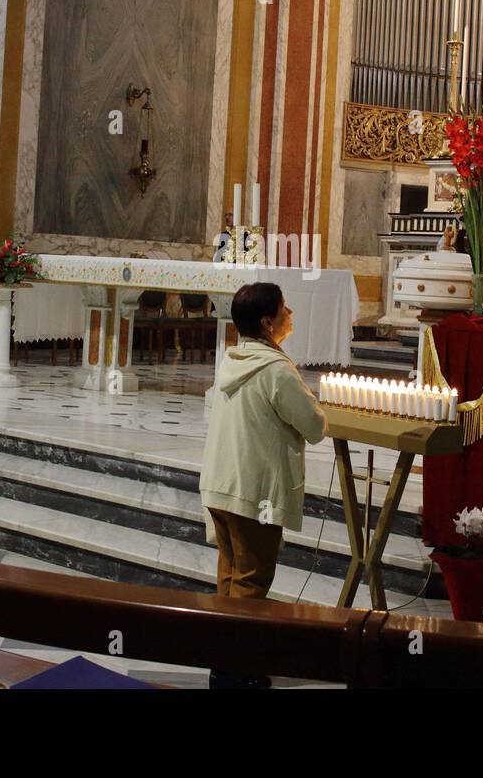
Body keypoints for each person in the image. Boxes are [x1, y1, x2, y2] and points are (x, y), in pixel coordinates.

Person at [200, 281, 327, 688]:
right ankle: (240, 672)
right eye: (285, 309)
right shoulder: (274, 369)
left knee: (229, 575)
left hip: (222, 483)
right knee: (252, 580)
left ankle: (223, 663)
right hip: (254, 492)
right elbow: (314, 426)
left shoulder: (231, 358)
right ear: (268, 321)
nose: (291, 314)